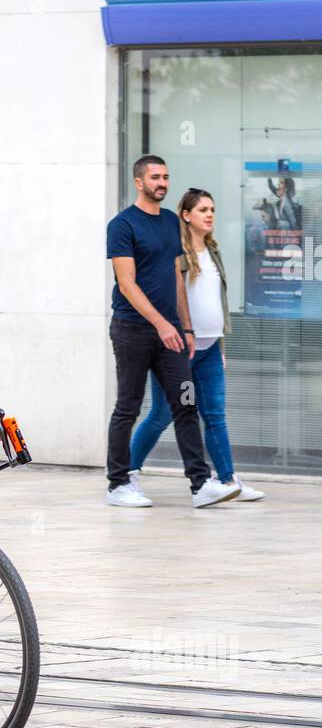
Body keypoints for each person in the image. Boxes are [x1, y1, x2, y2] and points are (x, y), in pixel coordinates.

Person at [106, 155, 239, 509]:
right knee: (128, 407)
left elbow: (176, 279)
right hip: (132, 331)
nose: (162, 182)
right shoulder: (122, 225)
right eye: (155, 177)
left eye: (166, 177)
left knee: (185, 403)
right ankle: (118, 484)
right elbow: (127, 283)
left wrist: (186, 327)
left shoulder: (169, 223)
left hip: (172, 337)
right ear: (139, 182)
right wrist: (162, 324)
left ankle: (200, 485)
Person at [129, 189, 264, 502]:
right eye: (203, 209)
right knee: (163, 414)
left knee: (215, 414)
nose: (210, 215)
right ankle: (126, 474)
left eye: (213, 209)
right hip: (178, 351)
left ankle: (228, 480)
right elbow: (169, 295)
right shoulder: (175, 252)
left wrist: (221, 345)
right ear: (186, 215)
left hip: (210, 349)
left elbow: (215, 301)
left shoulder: (213, 251)